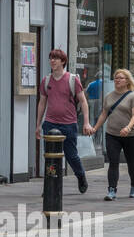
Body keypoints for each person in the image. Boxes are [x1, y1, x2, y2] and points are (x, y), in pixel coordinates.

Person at [35, 49, 93, 194]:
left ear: (63, 61)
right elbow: (42, 103)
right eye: (51, 58)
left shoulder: (73, 80)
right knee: (50, 157)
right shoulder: (46, 80)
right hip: (50, 123)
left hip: (69, 124)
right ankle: (49, 187)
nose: (52, 61)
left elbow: (83, 102)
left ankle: (81, 176)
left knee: (71, 156)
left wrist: (86, 122)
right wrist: (38, 125)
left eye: (55, 58)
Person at [88, 69, 134, 201]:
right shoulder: (109, 96)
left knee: (131, 163)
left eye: (121, 78)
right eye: (116, 78)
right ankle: (112, 190)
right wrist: (95, 128)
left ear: (127, 81)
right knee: (113, 163)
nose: (117, 80)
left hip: (131, 135)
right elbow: (104, 114)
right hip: (112, 134)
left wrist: (128, 127)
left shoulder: (133, 96)